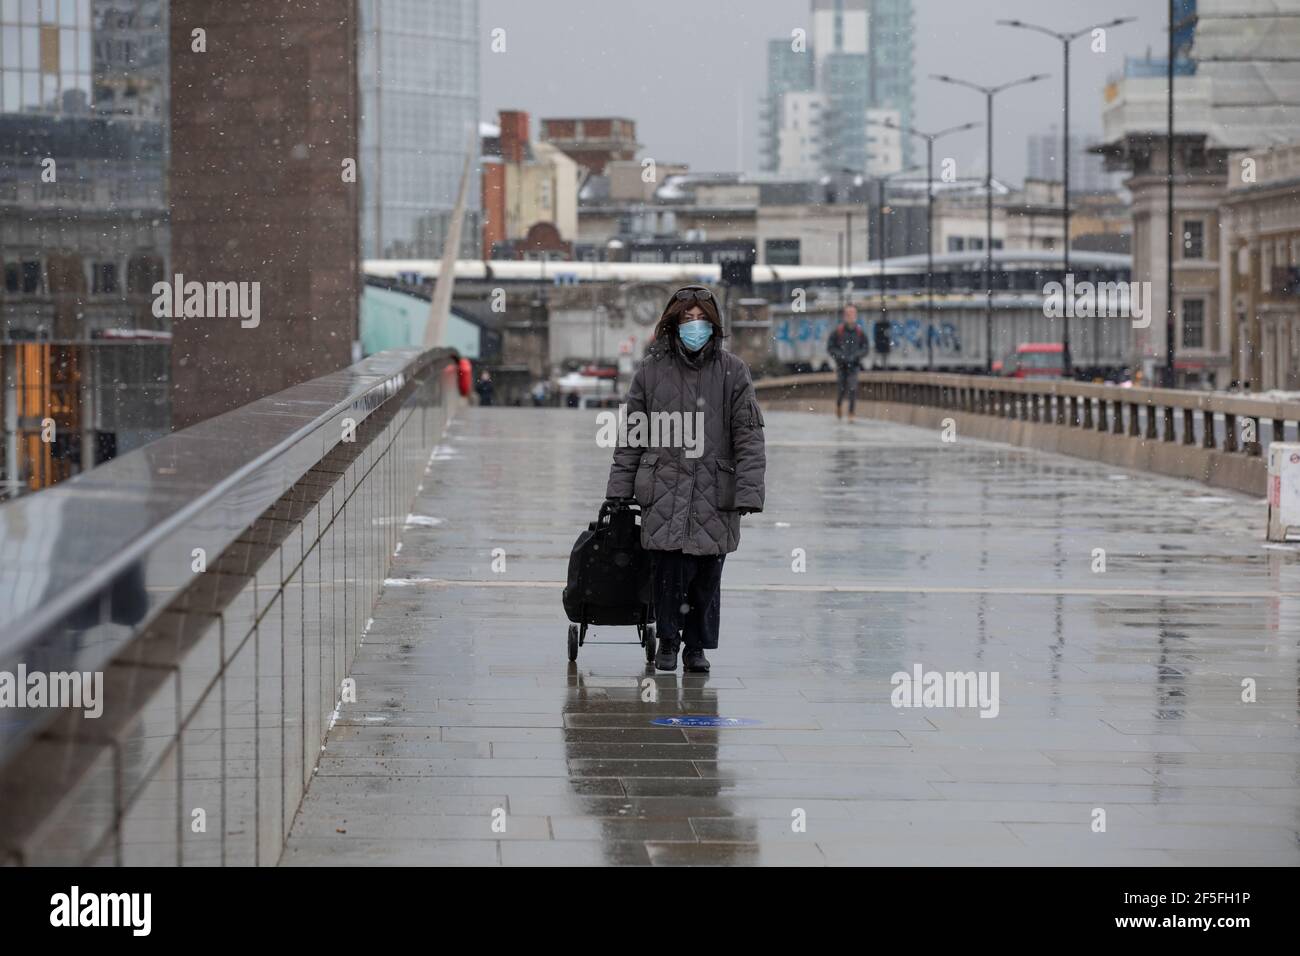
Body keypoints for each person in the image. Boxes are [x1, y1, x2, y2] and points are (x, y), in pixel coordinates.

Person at [606, 285, 766, 673]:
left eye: (701, 320)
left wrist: (748, 491)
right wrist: (618, 492)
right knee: (668, 570)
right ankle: (668, 639)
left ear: (713, 325)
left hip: (715, 489)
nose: (694, 327)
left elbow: (749, 435)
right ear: (673, 324)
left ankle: (696, 646)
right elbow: (632, 438)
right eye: (687, 319)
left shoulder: (733, 372)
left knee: (707, 574)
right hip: (664, 486)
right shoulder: (651, 372)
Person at [826, 305, 869, 420]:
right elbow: (830, 348)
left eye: (853, 314)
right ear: (844, 316)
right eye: (848, 314)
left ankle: (851, 413)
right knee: (841, 388)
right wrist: (841, 356)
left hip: (854, 365)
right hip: (841, 365)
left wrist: (856, 356)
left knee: (853, 387)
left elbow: (865, 348)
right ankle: (839, 405)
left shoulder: (860, 332)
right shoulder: (838, 332)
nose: (850, 316)